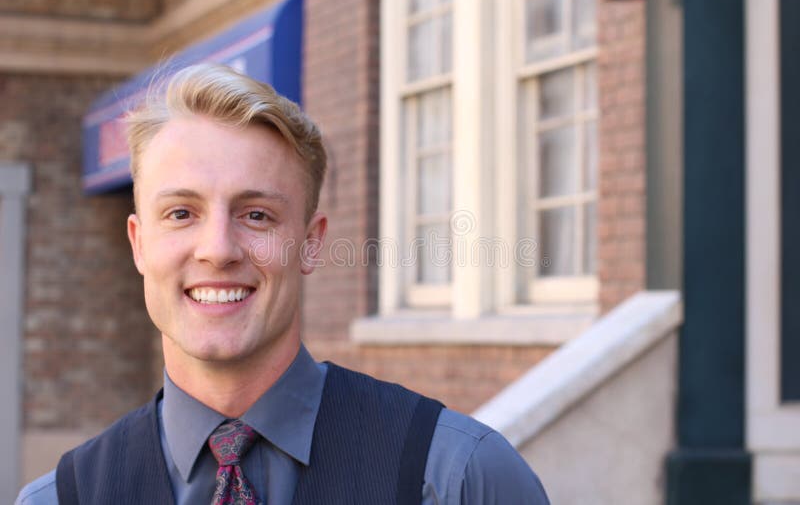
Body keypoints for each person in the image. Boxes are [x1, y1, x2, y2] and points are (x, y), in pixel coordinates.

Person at [15, 63, 549, 505]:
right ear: (138, 244)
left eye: (257, 215)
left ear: (311, 243)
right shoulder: (58, 500)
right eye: (181, 213)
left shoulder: (458, 479)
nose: (218, 249)